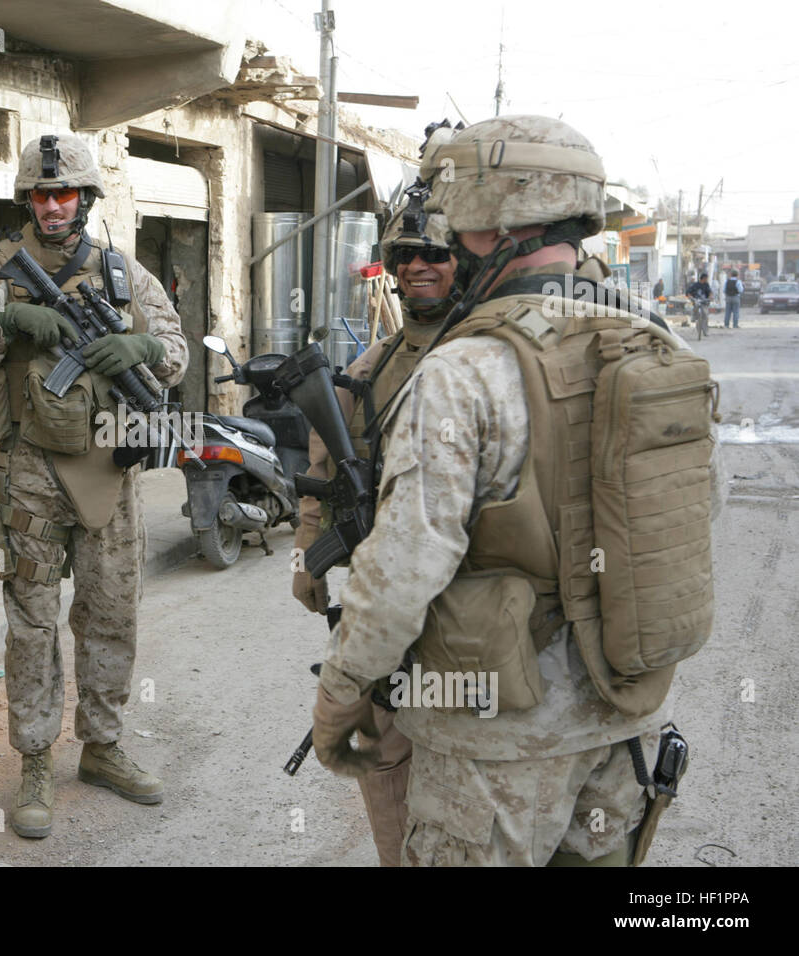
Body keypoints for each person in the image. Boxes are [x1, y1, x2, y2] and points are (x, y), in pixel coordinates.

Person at [311, 115, 725, 866]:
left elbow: (406, 564)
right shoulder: (664, 350)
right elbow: (698, 516)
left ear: (482, 221)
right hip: (625, 723)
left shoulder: (464, 371)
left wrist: (340, 695)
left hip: (494, 747)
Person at [0, 133, 187, 839]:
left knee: (112, 614)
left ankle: (103, 748)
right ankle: (36, 760)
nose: (53, 205)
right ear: (28, 199)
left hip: (109, 467)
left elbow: (173, 352)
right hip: (29, 475)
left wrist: (141, 346)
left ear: (85, 199)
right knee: (32, 625)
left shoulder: (122, 274)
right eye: (42, 194)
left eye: (65, 193)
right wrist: (7, 321)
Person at [290, 188, 456, 866]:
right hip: (385, 599)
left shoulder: (488, 358)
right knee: (385, 756)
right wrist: (308, 556)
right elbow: (324, 473)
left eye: (435, 253)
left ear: (462, 261)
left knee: (460, 764)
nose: (418, 266)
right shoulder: (371, 369)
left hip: (466, 603)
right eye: (405, 254)